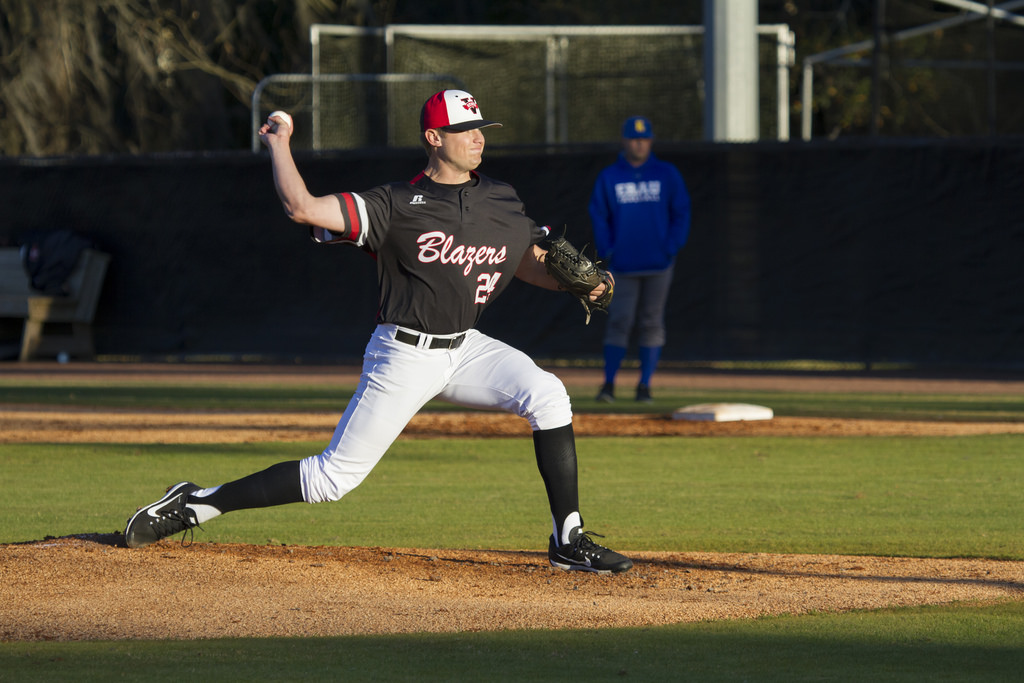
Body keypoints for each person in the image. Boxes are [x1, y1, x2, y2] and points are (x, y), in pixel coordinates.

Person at [124, 89, 633, 575]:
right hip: (404, 354)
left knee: (548, 394)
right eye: (466, 129)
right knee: (331, 479)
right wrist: (279, 144)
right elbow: (301, 206)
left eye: (482, 128)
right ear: (434, 137)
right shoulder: (394, 204)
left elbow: (530, 260)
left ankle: (567, 541)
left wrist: (585, 286)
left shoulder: (501, 199)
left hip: (466, 347)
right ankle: (198, 502)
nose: (479, 137)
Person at [588, 116, 691, 403]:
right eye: (634, 138)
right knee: (619, 322)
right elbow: (599, 215)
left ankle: (644, 385)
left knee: (652, 323)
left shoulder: (666, 173)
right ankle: (608, 385)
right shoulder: (610, 176)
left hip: (658, 264)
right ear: (624, 141)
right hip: (622, 266)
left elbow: (681, 212)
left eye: (644, 139)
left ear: (651, 141)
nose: (639, 143)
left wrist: (670, 247)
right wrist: (608, 250)